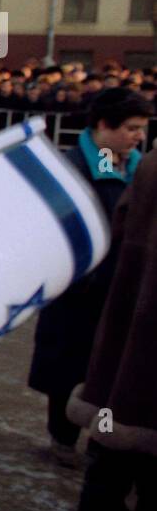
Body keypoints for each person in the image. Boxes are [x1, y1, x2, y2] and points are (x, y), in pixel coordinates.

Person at [28, 88, 153, 468]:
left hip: (117, 289)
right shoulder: (75, 167)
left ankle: (97, 437)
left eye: (141, 129)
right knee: (67, 364)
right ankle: (62, 438)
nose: (138, 137)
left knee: (104, 370)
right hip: (78, 288)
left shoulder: (134, 166)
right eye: (131, 128)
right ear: (103, 126)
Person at [68, 147, 157, 511]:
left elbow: (118, 221)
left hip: (132, 296)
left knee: (123, 399)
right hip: (144, 301)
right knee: (140, 407)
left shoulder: (153, 159)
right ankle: (116, 504)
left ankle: (104, 499)